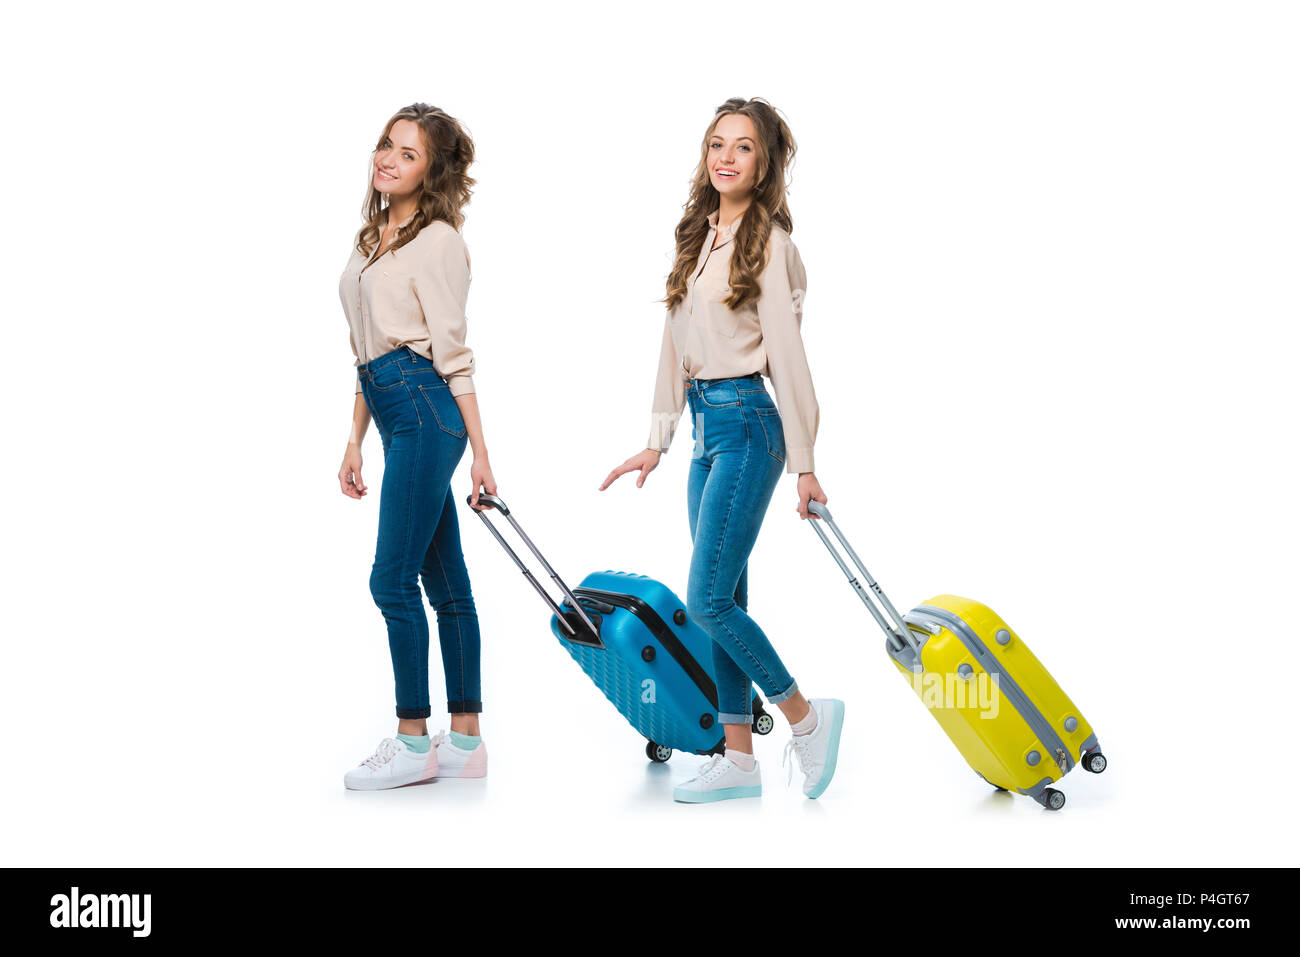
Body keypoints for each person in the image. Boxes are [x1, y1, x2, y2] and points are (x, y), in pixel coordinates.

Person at [600, 97, 845, 803]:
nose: (725, 157)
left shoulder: (766, 241)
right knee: (726, 593)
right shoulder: (699, 235)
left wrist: (805, 460)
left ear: (764, 163)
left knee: (705, 598)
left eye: (742, 147)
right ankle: (738, 758)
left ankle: (804, 717)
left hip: (749, 425)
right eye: (716, 144)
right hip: (708, 430)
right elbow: (673, 342)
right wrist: (657, 439)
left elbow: (789, 357)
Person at [337, 103, 496, 789]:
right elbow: (363, 352)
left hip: (428, 410)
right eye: (385, 146)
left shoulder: (438, 241)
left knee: (390, 578)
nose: (388, 159)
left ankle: (410, 741)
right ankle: (464, 742)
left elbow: (453, 355)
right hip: (390, 404)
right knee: (444, 583)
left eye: (408, 154)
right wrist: (353, 438)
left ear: (432, 173)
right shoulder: (372, 235)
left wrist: (483, 454)